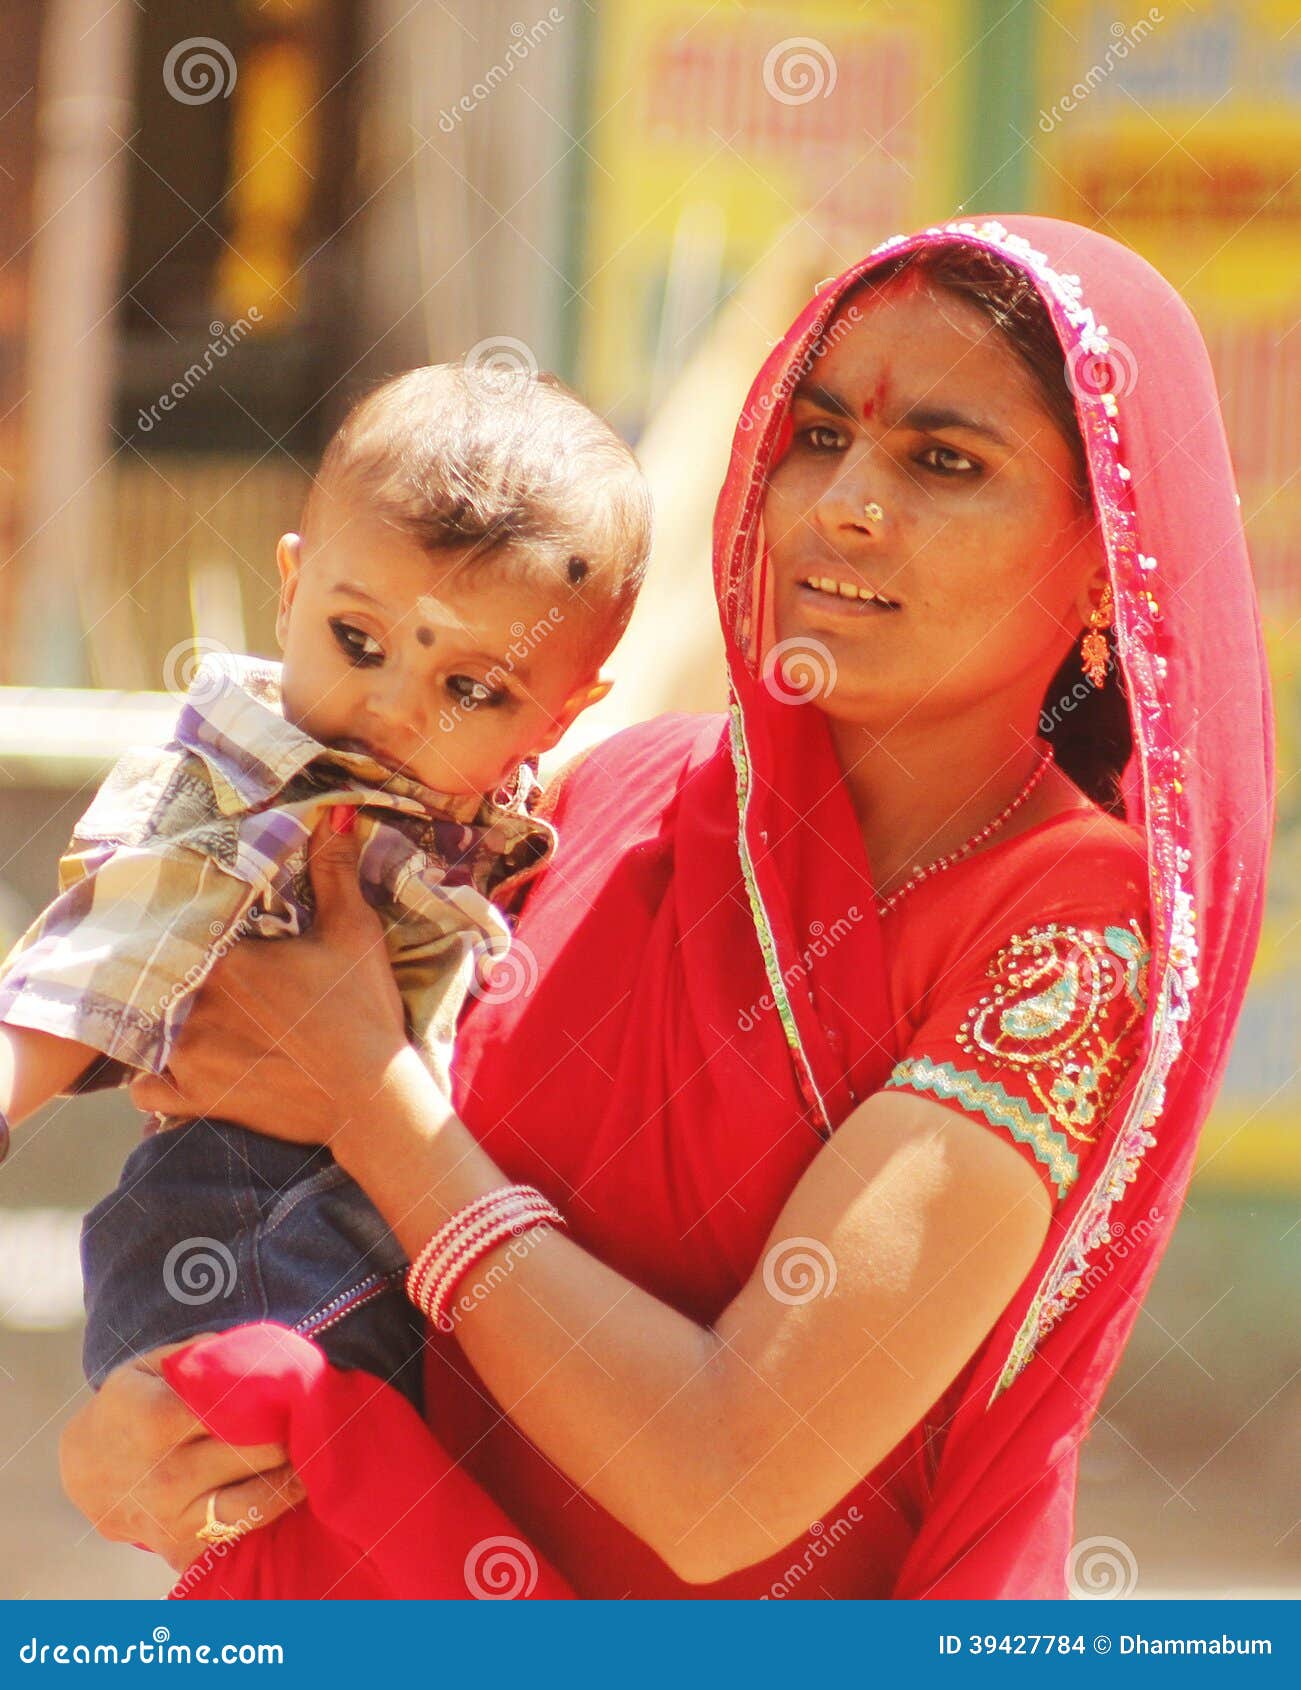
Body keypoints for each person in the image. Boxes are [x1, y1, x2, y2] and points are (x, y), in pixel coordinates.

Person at [60, 214, 1273, 1600]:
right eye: (818, 435)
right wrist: (143, 1432)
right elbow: (257, 1168)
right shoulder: (605, 793)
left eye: (944, 461)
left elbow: (723, 1482)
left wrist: (371, 1098)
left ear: (1107, 557)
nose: (839, 504)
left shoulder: (1066, 932)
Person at [0, 363, 650, 1410]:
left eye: (472, 691)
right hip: (239, 1218)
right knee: (290, 1433)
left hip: (426, 1223)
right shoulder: (249, 785)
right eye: (357, 641)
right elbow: (118, 939)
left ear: (562, 711)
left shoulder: (526, 815)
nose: (391, 708)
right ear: (292, 586)